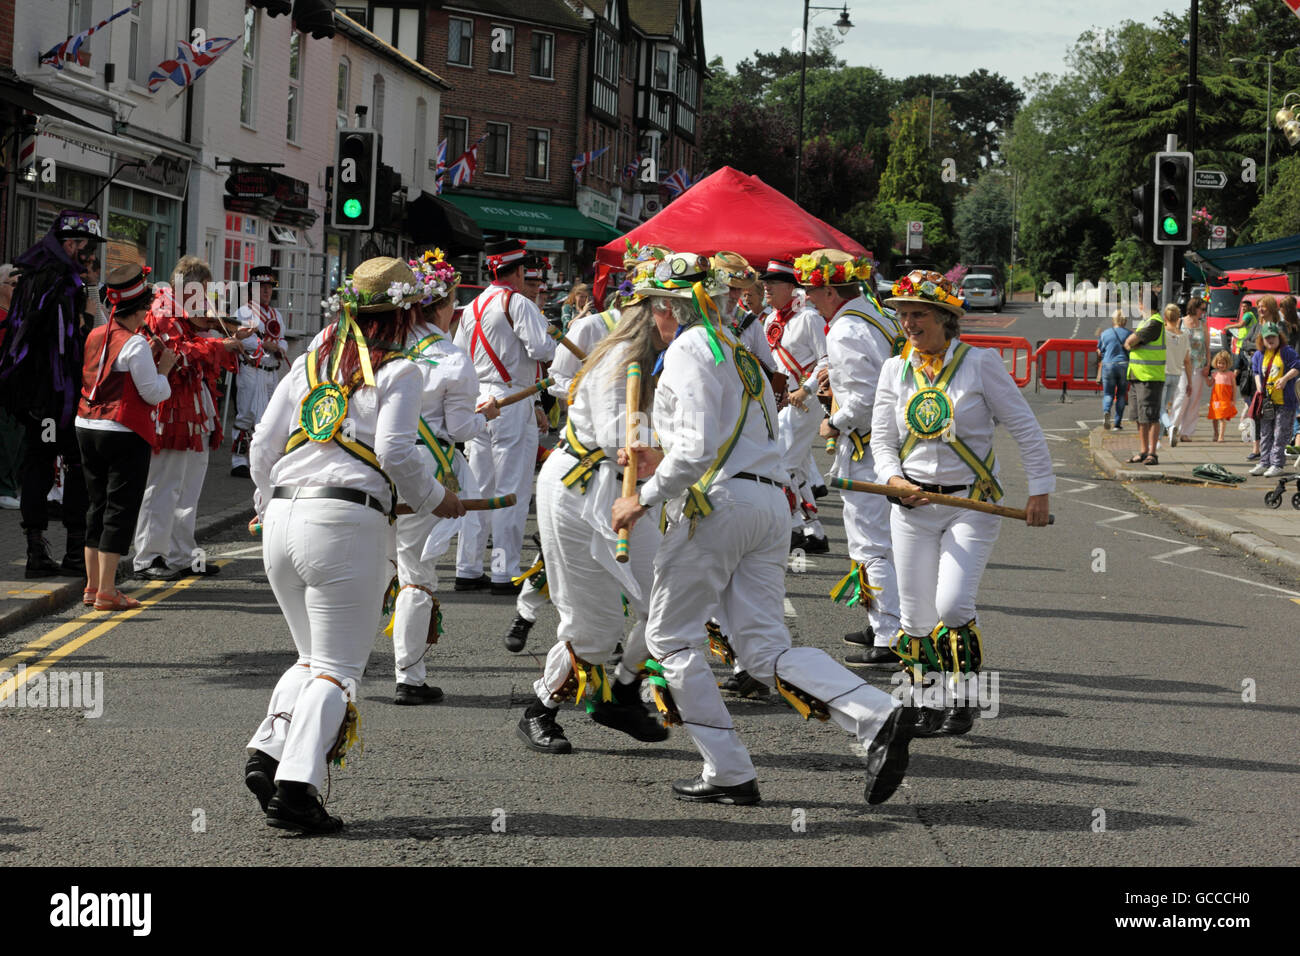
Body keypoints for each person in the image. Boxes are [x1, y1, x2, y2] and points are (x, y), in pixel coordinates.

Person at [611, 253, 910, 807]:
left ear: (668, 310)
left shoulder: (687, 349)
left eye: (654, 308)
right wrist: (658, 456)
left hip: (717, 507)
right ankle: (878, 713)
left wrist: (641, 498)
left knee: (670, 639)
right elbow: (720, 437)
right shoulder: (736, 350)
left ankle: (728, 770)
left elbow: (698, 450)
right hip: (768, 503)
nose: (652, 320)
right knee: (763, 649)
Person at [244, 257, 465, 835]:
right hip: (344, 522)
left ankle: (268, 751)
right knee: (339, 668)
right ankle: (296, 790)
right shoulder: (398, 371)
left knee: (311, 657)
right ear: (405, 313)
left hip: (285, 516)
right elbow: (395, 452)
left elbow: (262, 447)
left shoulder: (307, 365)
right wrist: (437, 496)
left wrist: (266, 508)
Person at [872, 269, 1054, 736]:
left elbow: (1025, 427)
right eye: (904, 315)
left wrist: (1040, 490)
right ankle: (927, 702)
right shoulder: (895, 368)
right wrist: (893, 479)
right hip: (911, 506)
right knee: (914, 614)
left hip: (971, 505)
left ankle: (966, 697)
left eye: (919, 315)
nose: (909, 324)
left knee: (952, 605)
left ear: (946, 318)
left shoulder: (980, 364)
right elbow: (881, 439)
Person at [517, 295, 669, 753]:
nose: (686, 318)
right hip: (579, 490)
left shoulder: (667, 362)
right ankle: (539, 709)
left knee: (666, 601)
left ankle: (620, 692)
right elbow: (613, 438)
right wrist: (669, 451)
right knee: (593, 626)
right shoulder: (621, 359)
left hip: (628, 495)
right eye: (675, 308)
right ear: (651, 313)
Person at [383, 250, 493, 704]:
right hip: (423, 469)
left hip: (371, 463)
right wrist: (485, 414)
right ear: (444, 305)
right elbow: (462, 428)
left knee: (369, 565)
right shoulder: (452, 359)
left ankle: (327, 666)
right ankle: (409, 676)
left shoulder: (382, 347)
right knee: (415, 574)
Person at [801, 248, 903, 668]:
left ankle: (888, 635)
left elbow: (864, 397)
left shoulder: (843, 329)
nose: (806, 295)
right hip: (890, 442)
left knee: (870, 542)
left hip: (867, 448)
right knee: (883, 541)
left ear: (830, 290)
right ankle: (883, 622)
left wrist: (833, 423)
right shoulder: (877, 313)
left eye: (811, 288)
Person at [132, 256, 247, 580]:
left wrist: (218, 336)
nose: (206, 301)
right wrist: (220, 346)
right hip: (171, 409)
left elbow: (192, 342)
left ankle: (181, 554)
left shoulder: (179, 310)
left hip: (193, 406)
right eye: (204, 291)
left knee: (188, 488)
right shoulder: (162, 309)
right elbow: (179, 353)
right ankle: (148, 557)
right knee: (164, 485)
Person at [453, 238, 557, 594]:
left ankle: (467, 567)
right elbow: (542, 348)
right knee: (510, 488)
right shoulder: (518, 303)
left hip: (480, 399)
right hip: (513, 398)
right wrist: (554, 343)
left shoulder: (471, 307)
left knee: (478, 487)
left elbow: (458, 358)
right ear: (516, 271)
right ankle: (503, 570)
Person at [0, 210, 100, 577]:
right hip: (59, 398)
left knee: (40, 465)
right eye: (85, 247)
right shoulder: (65, 284)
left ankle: (37, 552)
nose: (89, 255)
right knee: (73, 466)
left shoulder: (37, 277)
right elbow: (86, 336)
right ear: (69, 244)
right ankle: (73, 551)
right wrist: (89, 292)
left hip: (40, 398)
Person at [75, 265, 177, 611]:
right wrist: (164, 369)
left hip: (87, 424)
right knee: (119, 509)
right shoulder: (135, 344)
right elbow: (152, 393)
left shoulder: (96, 333)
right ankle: (107, 590)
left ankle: (92, 587)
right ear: (143, 309)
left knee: (96, 505)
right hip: (122, 430)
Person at [760, 258, 829, 553]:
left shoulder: (809, 318)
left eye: (772, 284)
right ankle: (815, 530)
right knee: (797, 466)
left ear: (790, 286)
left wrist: (807, 388)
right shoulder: (769, 320)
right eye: (765, 283)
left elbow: (827, 360)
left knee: (782, 463)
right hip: (780, 400)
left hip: (805, 401)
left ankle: (791, 529)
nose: (766, 288)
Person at [230, 266, 287, 478]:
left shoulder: (276, 314)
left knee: (269, 416)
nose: (266, 291)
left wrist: (280, 349)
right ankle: (238, 461)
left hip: (271, 371)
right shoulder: (243, 312)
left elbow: (283, 340)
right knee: (246, 414)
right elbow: (245, 339)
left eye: (269, 287)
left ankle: (262, 459)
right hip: (251, 370)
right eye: (262, 287)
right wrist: (268, 346)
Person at [1248, 323, 1300, 477]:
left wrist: (1284, 379)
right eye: (1267, 337)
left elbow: (1297, 366)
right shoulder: (1259, 355)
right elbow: (1256, 371)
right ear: (1262, 339)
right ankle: (1264, 462)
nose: (1270, 339)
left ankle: (1277, 463)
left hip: (1285, 401)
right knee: (1265, 432)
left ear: (1279, 337)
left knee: (1280, 434)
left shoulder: (1287, 352)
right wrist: (1258, 386)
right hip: (1266, 401)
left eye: (1273, 336)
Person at [1123, 308, 1166, 465]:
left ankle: (1152, 453)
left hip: (1150, 376)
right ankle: (1143, 451)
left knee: (1151, 416)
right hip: (1136, 374)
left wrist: (1132, 344)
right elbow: (1128, 343)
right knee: (1139, 417)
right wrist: (1131, 343)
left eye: (1140, 304)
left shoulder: (1155, 323)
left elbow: (1129, 342)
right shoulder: (1144, 322)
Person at [0, 264, 23, 509]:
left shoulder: (18, 316)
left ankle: (10, 484)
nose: (18, 290)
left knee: (16, 436)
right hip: (5, 385)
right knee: (7, 436)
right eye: (13, 285)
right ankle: (4, 486)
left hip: (17, 386)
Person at [1176, 297, 1210, 442]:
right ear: (1193, 308)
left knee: (1194, 399)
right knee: (1182, 396)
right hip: (1182, 365)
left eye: (1204, 309)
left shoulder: (1203, 325)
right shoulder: (1180, 322)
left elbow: (1207, 347)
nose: (1203, 312)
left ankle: (1186, 432)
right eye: (1201, 309)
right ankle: (1174, 427)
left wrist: (1208, 364)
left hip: (1198, 365)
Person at [1162, 304, 1191, 446]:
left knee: (1160, 408)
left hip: (1163, 374)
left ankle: (1169, 427)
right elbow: (1187, 361)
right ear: (1178, 318)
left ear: (1165, 318)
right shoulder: (1184, 335)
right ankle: (1159, 440)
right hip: (1177, 375)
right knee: (1165, 406)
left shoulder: (1162, 333)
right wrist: (1190, 382)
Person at [1096, 310, 1130, 430]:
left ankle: (1106, 411)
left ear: (1113, 320)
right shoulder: (1129, 334)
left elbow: (1100, 351)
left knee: (1108, 393)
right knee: (1121, 394)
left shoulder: (1105, 334)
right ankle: (1117, 423)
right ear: (1125, 321)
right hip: (1124, 365)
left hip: (1108, 365)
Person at [1207, 350, 1238, 442]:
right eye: (1219, 363)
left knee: (1222, 418)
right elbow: (1209, 384)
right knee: (1215, 418)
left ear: (1227, 364)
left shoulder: (1230, 375)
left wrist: (1233, 399)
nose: (1221, 365)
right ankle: (1215, 433)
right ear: (1216, 363)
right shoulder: (1215, 374)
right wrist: (1205, 377)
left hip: (1225, 400)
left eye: (1223, 363)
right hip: (1216, 400)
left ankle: (1221, 435)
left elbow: (1234, 387)